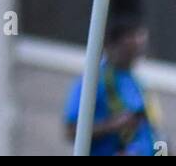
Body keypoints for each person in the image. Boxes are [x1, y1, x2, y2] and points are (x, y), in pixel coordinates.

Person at [64, 15, 163, 155]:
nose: (134, 53)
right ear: (110, 46)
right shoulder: (93, 81)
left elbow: (153, 133)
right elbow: (71, 131)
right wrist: (113, 125)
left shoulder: (138, 84)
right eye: (128, 47)